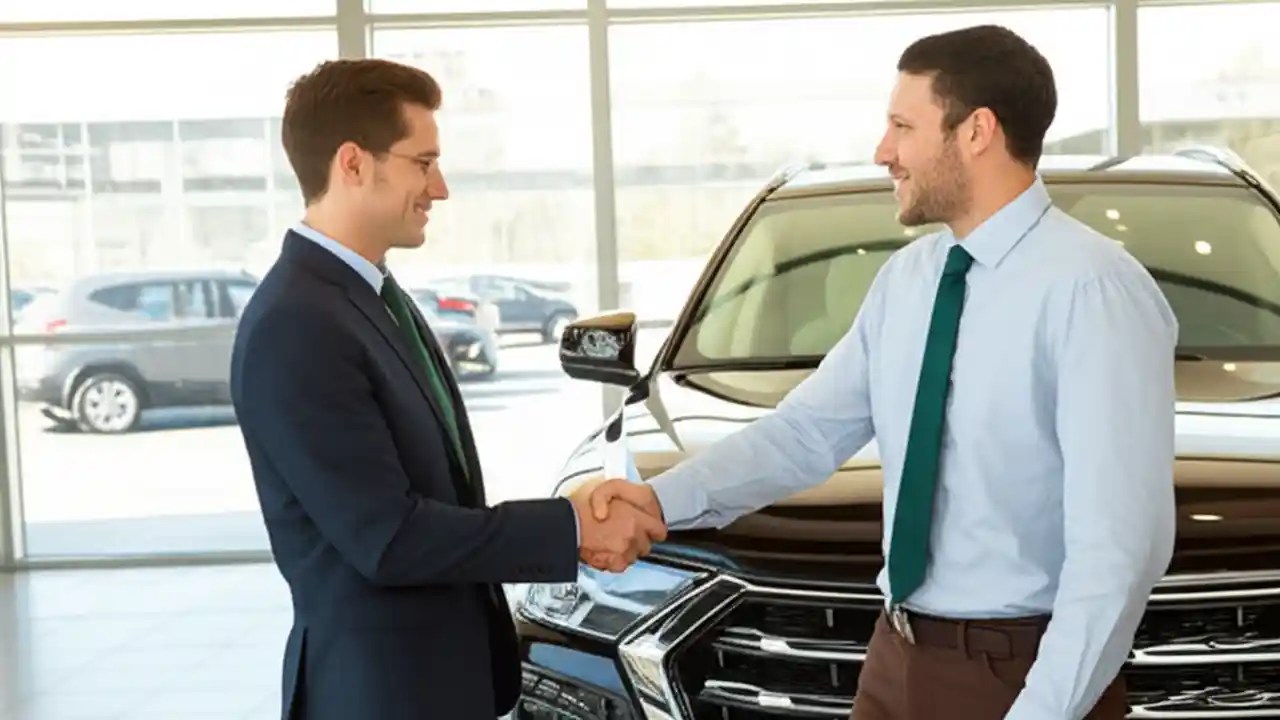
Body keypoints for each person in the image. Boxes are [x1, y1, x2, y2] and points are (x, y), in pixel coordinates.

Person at [587, 24, 1176, 720]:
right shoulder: (911, 280)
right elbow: (804, 434)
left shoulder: (1093, 290)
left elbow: (1118, 552)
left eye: (903, 125)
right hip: (894, 658)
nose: (884, 151)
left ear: (977, 131)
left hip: (1018, 675)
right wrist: (657, 503)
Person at [229, 58, 665, 720]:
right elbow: (388, 538)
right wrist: (570, 526)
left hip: (433, 683)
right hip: (379, 694)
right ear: (352, 163)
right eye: (422, 162)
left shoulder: (368, 296)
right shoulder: (296, 324)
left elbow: (435, 496)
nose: (441, 187)